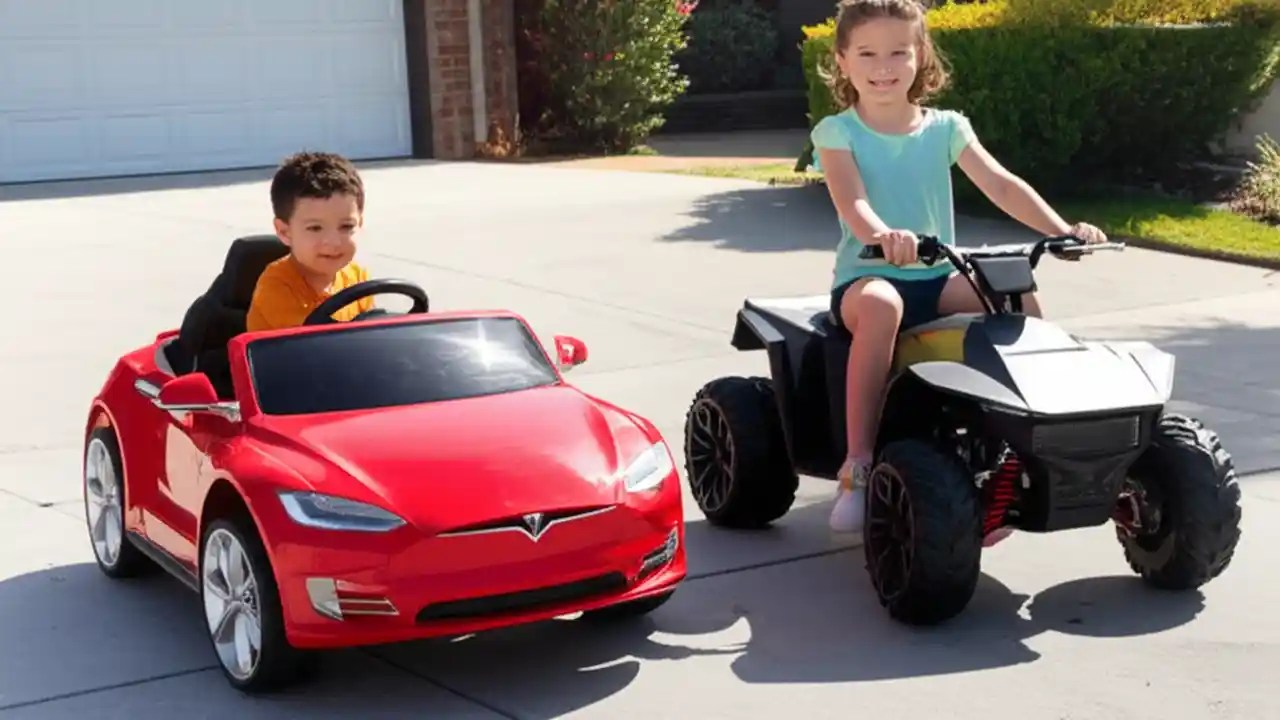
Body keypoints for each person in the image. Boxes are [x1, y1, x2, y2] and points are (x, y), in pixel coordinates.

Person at [811, 0, 1107, 536]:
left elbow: (1000, 183)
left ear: (920, 55)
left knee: (1016, 295)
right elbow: (851, 201)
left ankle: (1021, 452)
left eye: (899, 52)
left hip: (938, 277)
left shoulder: (945, 126)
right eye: (868, 53)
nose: (884, 66)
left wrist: (1061, 230)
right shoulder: (838, 132)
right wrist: (883, 237)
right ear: (843, 60)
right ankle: (857, 464)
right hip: (867, 277)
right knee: (883, 304)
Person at [246, 151, 375, 332]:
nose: (333, 242)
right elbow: (316, 348)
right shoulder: (276, 286)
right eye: (315, 228)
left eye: (346, 227)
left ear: (359, 224)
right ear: (284, 232)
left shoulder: (358, 277)